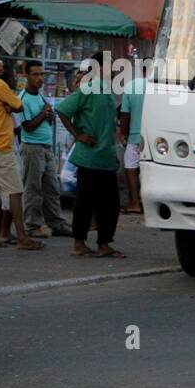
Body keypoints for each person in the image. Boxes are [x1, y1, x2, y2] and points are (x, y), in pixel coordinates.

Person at [0, 51, 42, 251]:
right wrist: (7, 105)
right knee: (15, 192)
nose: (1, 64)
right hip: (1, 146)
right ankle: (22, 237)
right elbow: (19, 105)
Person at [57, 53, 123, 258]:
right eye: (110, 64)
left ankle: (103, 243)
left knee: (109, 204)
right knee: (86, 202)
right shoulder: (89, 86)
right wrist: (79, 135)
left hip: (105, 156)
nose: (113, 67)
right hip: (90, 157)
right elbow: (63, 110)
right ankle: (80, 243)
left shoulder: (106, 89)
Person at [19, 60, 71, 239]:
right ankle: (33, 225)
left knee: (52, 188)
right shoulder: (23, 98)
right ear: (26, 75)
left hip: (46, 148)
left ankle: (56, 223)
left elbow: (43, 119)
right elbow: (28, 126)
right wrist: (44, 114)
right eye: (35, 74)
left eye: (42, 74)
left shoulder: (40, 96)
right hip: (32, 148)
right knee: (33, 189)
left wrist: (47, 115)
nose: (40, 78)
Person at [117, 74, 147, 215]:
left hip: (135, 137)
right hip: (158, 138)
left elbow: (125, 114)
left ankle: (135, 203)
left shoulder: (132, 86)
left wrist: (123, 134)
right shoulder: (161, 86)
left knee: (131, 168)